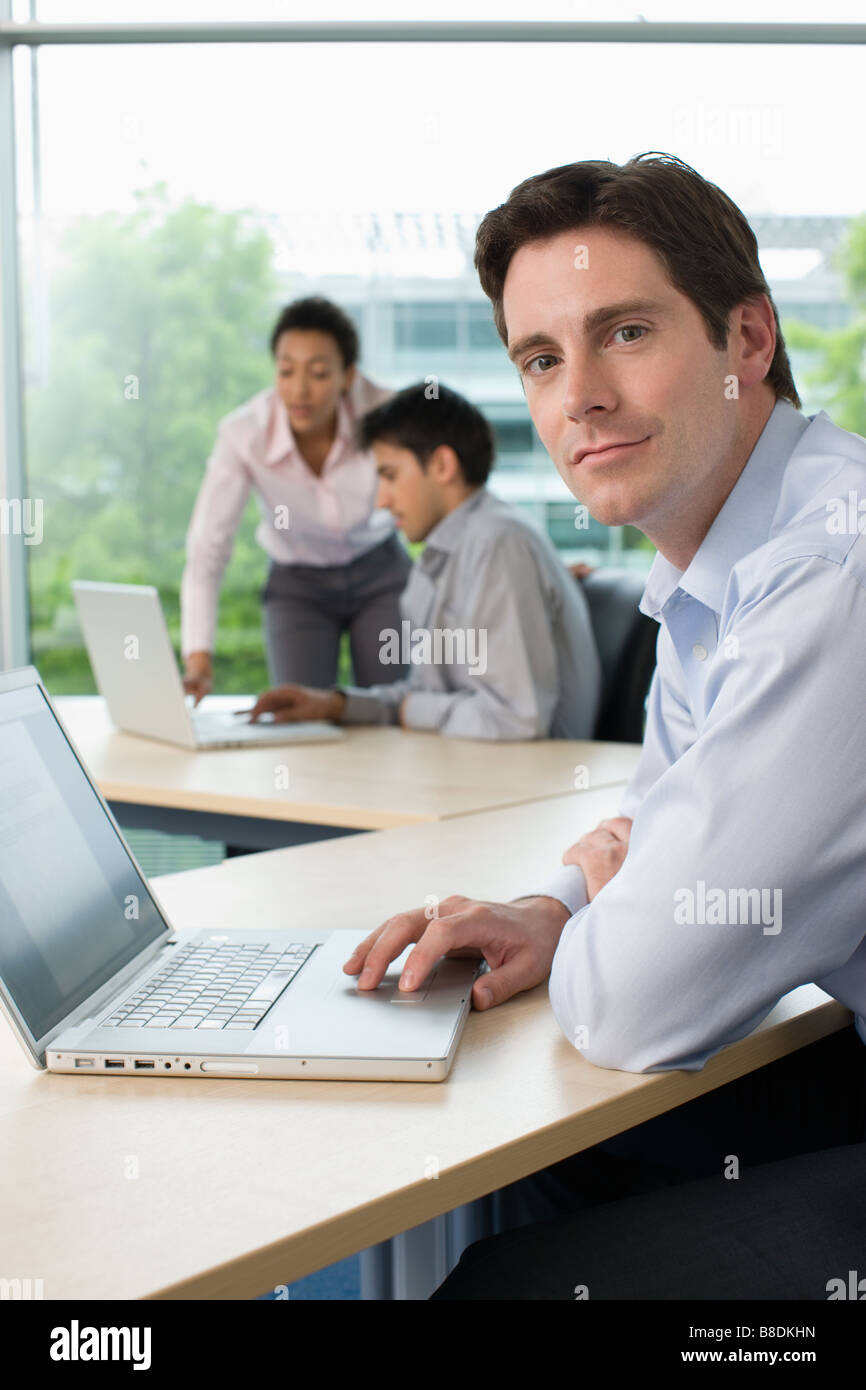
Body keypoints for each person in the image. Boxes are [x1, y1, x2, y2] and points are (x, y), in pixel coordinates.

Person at [339, 153, 866, 1297]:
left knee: (503, 1286)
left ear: (746, 341)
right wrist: (559, 904)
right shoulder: (713, 570)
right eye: (540, 357)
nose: (575, 393)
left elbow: (635, 999)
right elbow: (654, 826)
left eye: (623, 332)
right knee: (562, 1170)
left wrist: (635, 899)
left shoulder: (830, 572)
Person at [245, 382, 601, 740]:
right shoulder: (439, 559)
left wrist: (410, 710)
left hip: (528, 782)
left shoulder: (496, 543)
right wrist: (336, 706)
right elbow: (425, 697)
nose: (381, 500)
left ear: (443, 465)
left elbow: (512, 718)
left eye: (390, 475)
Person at [180, 296, 411, 700]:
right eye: (286, 371)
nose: (299, 390)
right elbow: (208, 547)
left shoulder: (386, 413)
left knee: (391, 707)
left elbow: (436, 500)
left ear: (348, 376)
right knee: (298, 713)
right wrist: (198, 656)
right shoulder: (243, 434)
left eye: (319, 373)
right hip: (297, 581)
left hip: (381, 572)